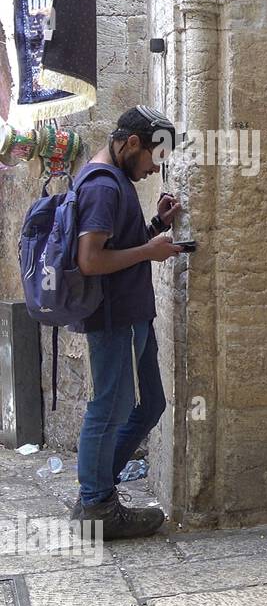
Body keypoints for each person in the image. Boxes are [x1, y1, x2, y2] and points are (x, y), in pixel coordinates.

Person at [71, 107, 184, 539]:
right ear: (131, 143)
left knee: (150, 402)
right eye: (154, 157)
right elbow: (91, 259)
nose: (154, 167)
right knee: (109, 409)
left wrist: (155, 225)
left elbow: (118, 243)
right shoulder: (102, 185)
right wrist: (149, 252)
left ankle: (96, 493)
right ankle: (98, 504)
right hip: (113, 315)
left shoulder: (115, 180)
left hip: (133, 312)